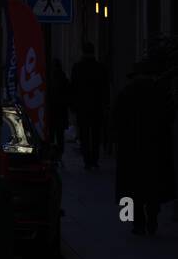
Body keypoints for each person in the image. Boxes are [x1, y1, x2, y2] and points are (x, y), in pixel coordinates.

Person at [113, 55, 176, 235]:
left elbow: (116, 119)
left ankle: (137, 222)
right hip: (155, 148)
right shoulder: (160, 92)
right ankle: (152, 220)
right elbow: (170, 116)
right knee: (153, 186)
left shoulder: (126, 93)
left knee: (132, 187)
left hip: (131, 149)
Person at [71, 42, 110, 170]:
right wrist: (106, 104)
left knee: (84, 134)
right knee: (96, 133)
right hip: (97, 106)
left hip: (82, 106)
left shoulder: (77, 68)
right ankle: (94, 159)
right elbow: (105, 88)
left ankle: (87, 160)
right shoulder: (100, 68)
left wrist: (74, 105)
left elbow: (74, 88)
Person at [46, 58, 70, 154]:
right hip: (61, 111)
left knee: (52, 135)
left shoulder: (49, 79)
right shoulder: (64, 79)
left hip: (52, 111)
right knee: (60, 135)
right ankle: (59, 154)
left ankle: (52, 153)